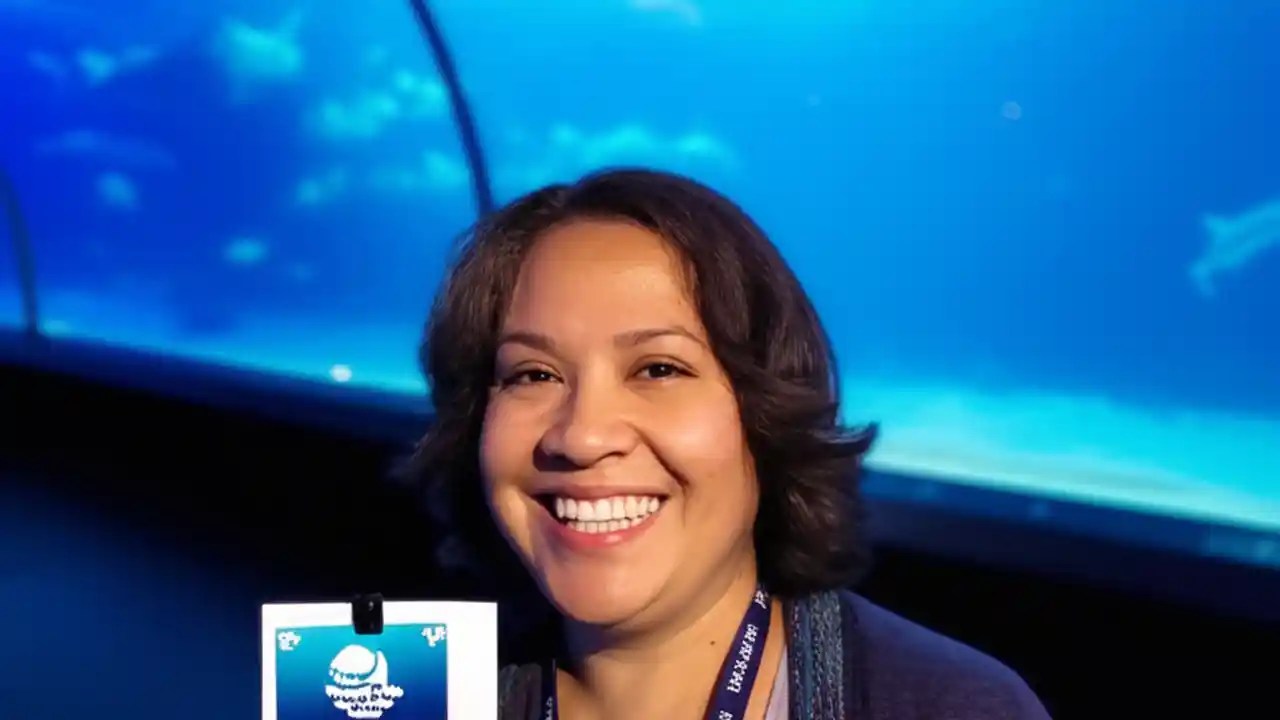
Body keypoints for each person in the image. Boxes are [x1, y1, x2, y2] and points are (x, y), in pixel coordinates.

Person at [404, 168, 1053, 719]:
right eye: (533, 374)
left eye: (658, 369)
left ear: (764, 414)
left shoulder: (952, 705)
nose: (582, 435)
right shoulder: (399, 691)